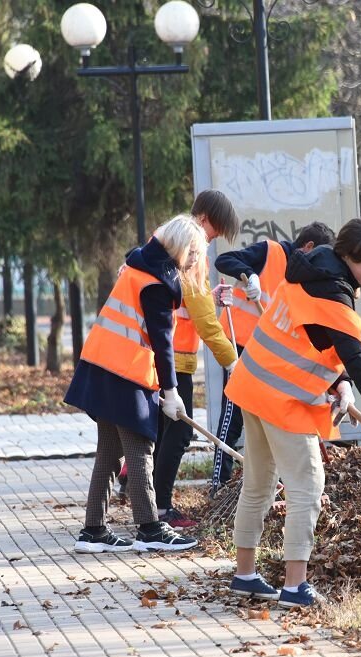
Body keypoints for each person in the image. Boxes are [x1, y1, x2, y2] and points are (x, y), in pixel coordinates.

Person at [224, 218, 361, 608]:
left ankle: (245, 575)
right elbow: (356, 357)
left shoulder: (307, 271)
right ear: (345, 256)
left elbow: (315, 342)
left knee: (258, 484)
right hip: (281, 401)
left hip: (252, 386)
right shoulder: (334, 296)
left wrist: (339, 384)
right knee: (307, 486)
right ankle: (294, 586)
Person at [65, 215, 205, 553]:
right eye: (194, 255)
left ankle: (94, 531)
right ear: (182, 248)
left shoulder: (137, 266)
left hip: (100, 366)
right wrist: (170, 391)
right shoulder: (157, 283)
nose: (194, 263)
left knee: (110, 453)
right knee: (141, 450)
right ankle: (150, 528)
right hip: (125, 374)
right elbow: (162, 343)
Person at [212, 222, 336, 479]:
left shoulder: (304, 277)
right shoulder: (270, 251)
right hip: (242, 344)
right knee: (233, 415)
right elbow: (225, 260)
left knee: (271, 414)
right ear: (308, 247)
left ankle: (276, 477)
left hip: (271, 352)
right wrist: (249, 274)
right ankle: (219, 481)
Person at [148, 190, 240, 529]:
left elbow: (186, 303)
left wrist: (209, 297)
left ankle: (150, 504)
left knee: (160, 433)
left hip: (165, 358)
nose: (211, 242)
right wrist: (233, 363)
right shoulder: (191, 249)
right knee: (178, 434)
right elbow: (205, 323)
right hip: (174, 362)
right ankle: (161, 508)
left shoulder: (165, 241)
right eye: (214, 233)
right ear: (203, 220)